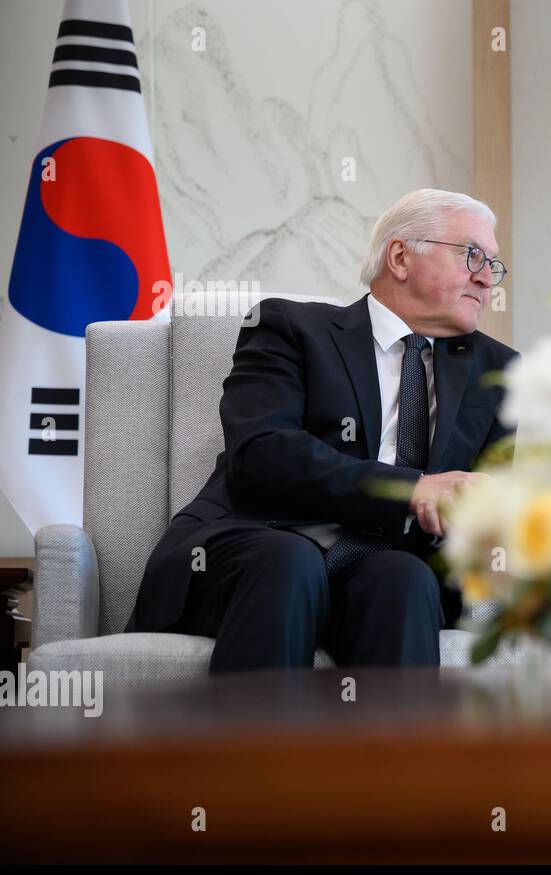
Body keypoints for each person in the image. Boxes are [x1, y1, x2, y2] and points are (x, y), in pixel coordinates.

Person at [128, 189, 516, 671]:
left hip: (384, 563)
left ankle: (395, 749)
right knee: (292, 562)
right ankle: (255, 749)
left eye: (493, 265)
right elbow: (262, 454)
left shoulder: (497, 371)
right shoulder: (290, 327)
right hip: (258, 539)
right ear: (400, 257)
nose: (486, 277)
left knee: (406, 578)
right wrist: (411, 488)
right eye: (472, 254)